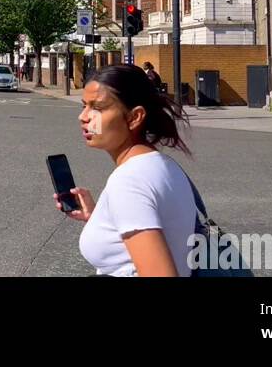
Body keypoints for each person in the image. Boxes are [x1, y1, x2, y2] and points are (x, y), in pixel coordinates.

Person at [55, 64, 198, 277]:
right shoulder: (164, 165)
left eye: (98, 108)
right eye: (84, 106)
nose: (83, 117)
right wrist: (100, 219)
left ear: (134, 117)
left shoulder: (129, 182)